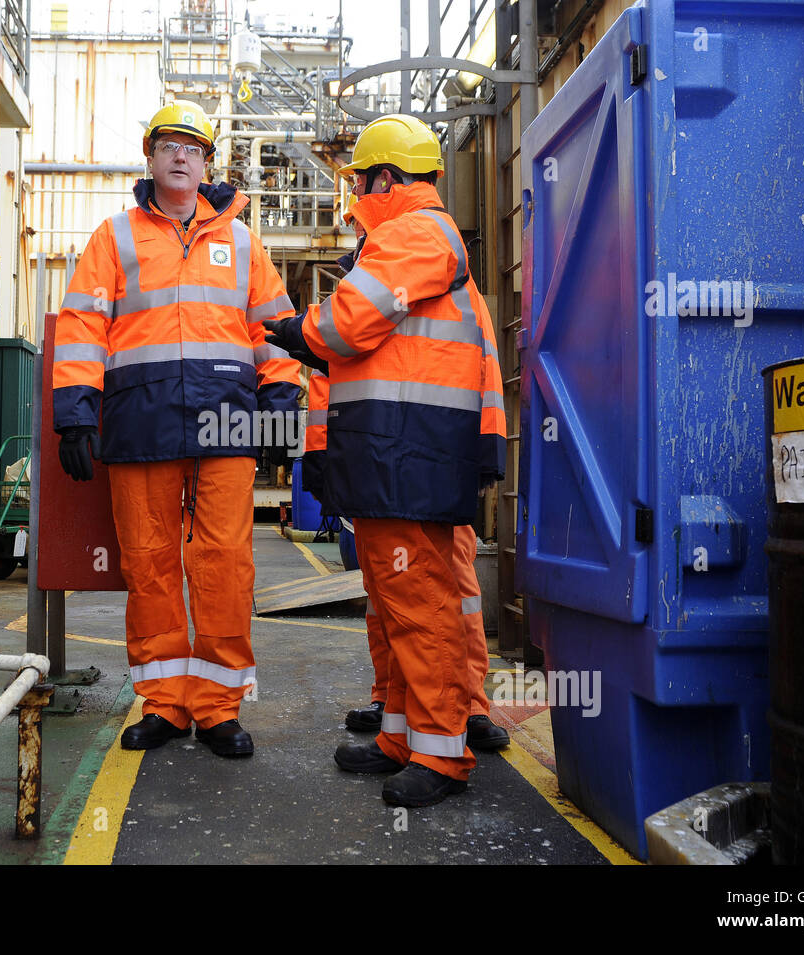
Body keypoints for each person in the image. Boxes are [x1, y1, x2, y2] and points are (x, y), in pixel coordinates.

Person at [267, 114, 506, 806]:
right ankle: (404, 736)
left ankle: (441, 754)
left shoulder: (412, 233)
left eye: (361, 183)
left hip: (410, 451)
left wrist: (297, 331)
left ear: (385, 178)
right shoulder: (419, 239)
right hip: (398, 451)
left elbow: (348, 322)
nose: (354, 200)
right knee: (396, 605)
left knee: (420, 606)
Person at [52, 100, 300, 757]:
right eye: (170, 144)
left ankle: (217, 707)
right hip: (141, 418)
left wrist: (282, 396)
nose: (182, 155)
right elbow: (82, 324)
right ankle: (165, 703)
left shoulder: (244, 243)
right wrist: (75, 410)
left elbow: (273, 325)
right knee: (150, 564)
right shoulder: (116, 238)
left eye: (194, 146)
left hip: (225, 421)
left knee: (223, 563)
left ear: (208, 162)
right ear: (151, 156)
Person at [305, 370, 508, 749]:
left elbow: (483, 366)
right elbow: (326, 374)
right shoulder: (352, 309)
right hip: (374, 459)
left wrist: (487, 447)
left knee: (457, 590)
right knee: (384, 592)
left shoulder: (455, 307)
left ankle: (468, 703)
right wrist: (320, 455)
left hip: (435, 455)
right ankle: (391, 699)